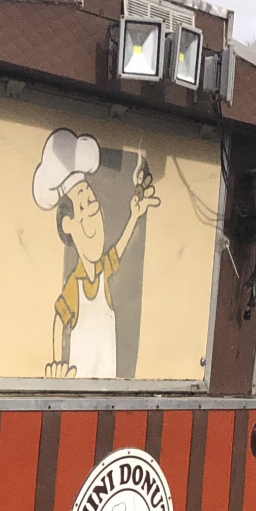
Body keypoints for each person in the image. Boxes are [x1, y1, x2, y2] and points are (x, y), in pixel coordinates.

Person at [31, 129, 158, 379]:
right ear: (69, 224)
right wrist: (57, 364)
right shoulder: (74, 285)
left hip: (107, 381)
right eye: (84, 204)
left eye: (92, 202)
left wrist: (134, 216)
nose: (93, 209)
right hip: (79, 384)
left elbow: (118, 251)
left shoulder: (102, 272)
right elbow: (59, 320)